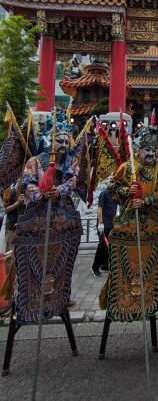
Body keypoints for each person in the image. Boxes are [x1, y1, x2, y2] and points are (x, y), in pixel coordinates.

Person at [10, 110, 83, 323]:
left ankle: (61, 293)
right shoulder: (34, 161)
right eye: (57, 139)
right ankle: (26, 297)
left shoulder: (71, 161)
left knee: (65, 251)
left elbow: (73, 181)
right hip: (37, 212)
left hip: (62, 212)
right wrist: (40, 194)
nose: (62, 143)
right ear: (47, 139)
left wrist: (58, 191)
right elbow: (27, 183)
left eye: (64, 139)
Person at [99, 125, 158, 323]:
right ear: (138, 150)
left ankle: (150, 295)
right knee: (120, 238)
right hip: (130, 216)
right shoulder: (128, 167)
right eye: (147, 150)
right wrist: (127, 192)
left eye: (154, 151)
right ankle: (120, 295)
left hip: (152, 218)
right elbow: (113, 186)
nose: (151, 154)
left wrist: (146, 201)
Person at [91, 186, 117, 277]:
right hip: (103, 225)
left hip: (111, 224)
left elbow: (114, 210)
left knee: (108, 245)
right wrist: (100, 223)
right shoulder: (104, 193)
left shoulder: (115, 195)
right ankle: (95, 267)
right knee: (102, 245)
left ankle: (104, 265)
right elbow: (100, 208)